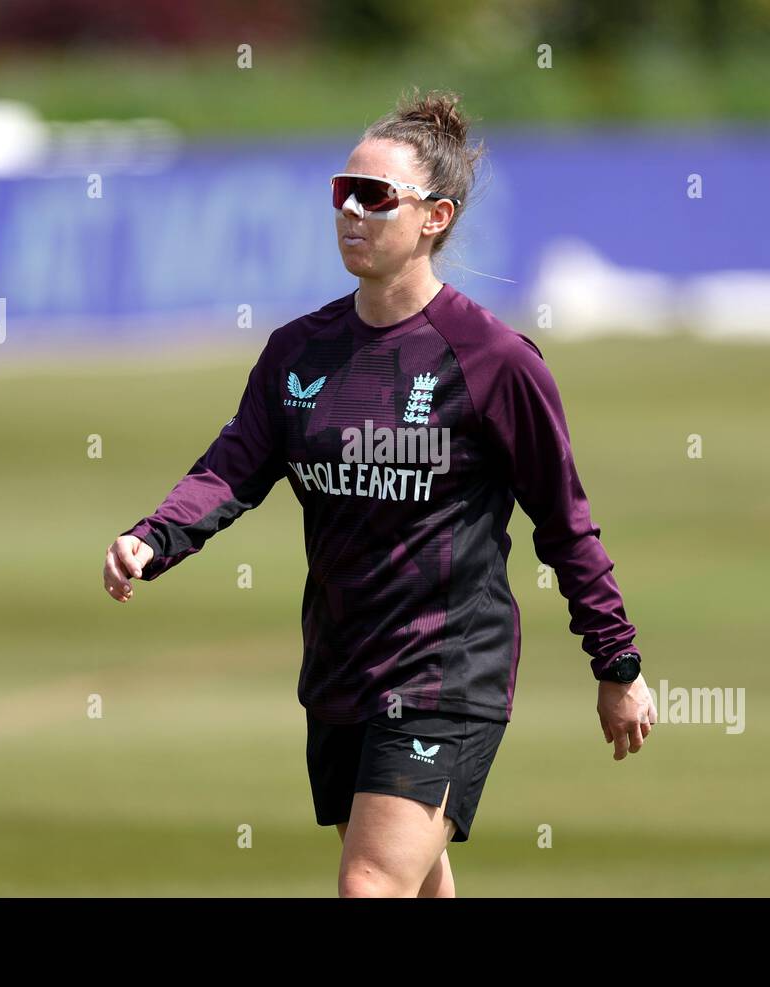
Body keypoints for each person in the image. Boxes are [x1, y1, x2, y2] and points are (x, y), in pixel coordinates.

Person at [102, 88, 656, 898]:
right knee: (417, 881)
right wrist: (156, 536)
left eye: (375, 196)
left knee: (370, 882)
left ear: (436, 216)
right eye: (342, 192)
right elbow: (233, 467)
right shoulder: (300, 350)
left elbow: (566, 525)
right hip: (339, 668)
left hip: (444, 673)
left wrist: (618, 661)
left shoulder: (494, 359)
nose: (351, 212)